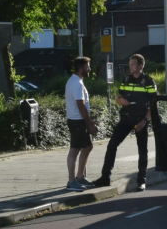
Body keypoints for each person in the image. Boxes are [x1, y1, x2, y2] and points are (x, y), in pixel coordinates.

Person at [95, 54, 158, 191]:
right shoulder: (126, 79)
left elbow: (154, 105)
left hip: (140, 120)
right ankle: (105, 177)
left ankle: (141, 181)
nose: (130, 67)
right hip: (126, 118)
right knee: (112, 145)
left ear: (140, 66)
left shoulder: (148, 81)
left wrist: (144, 121)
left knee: (142, 150)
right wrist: (121, 101)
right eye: (130, 64)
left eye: (133, 64)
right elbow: (118, 98)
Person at [65, 57, 97, 191]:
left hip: (79, 120)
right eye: (87, 67)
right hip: (77, 121)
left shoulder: (76, 81)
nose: (89, 69)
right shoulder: (76, 83)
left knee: (88, 146)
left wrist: (88, 121)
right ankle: (72, 181)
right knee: (75, 150)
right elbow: (80, 105)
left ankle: (80, 177)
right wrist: (90, 124)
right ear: (80, 69)